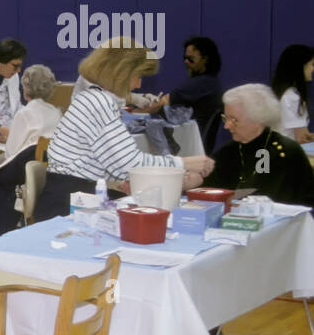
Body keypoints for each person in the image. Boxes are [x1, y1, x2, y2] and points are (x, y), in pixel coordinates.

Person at [35, 38, 215, 221]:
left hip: (71, 197)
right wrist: (184, 164)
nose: (138, 85)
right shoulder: (99, 103)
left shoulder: (92, 98)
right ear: (121, 73)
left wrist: (124, 180)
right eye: (138, 76)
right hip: (67, 206)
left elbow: (106, 162)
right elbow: (130, 164)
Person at [0, 64, 61, 238]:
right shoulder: (55, 112)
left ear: (27, 88)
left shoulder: (25, 114)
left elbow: (11, 152)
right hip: (45, 169)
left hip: (20, 170)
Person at [203, 84, 314, 208]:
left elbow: (271, 198)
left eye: (234, 120)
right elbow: (208, 189)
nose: (227, 126)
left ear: (258, 119)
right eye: (225, 118)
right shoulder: (227, 151)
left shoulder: (281, 152)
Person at [138, 35, 224, 145]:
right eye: (185, 58)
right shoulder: (212, 83)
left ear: (205, 59)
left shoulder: (199, 84)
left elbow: (158, 105)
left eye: (191, 59)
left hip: (188, 145)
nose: (186, 62)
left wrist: (130, 115)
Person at [271, 43, 313, 145]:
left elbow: (304, 134)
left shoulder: (284, 93)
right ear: (301, 67)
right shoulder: (291, 97)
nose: (313, 69)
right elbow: (302, 138)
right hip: (286, 153)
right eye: (312, 64)